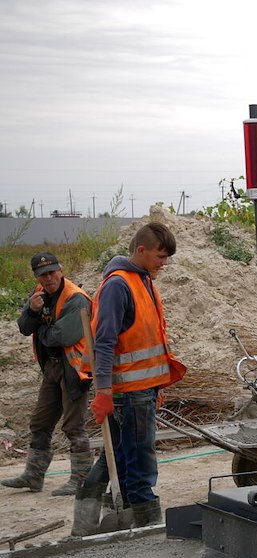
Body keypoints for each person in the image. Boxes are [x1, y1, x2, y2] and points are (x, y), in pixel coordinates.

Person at [72, 222, 186, 535]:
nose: (164, 263)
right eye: (160, 257)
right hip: (127, 393)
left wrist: (155, 386)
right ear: (141, 251)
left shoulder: (143, 279)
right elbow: (104, 342)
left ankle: (96, 518)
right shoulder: (118, 286)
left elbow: (145, 340)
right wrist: (104, 392)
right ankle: (147, 522)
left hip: (141, 390)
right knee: (140, 459)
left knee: (122, 457)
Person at [1, 253, 93, 495]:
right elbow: (23, 327)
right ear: (37, 277)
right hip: (52, 367)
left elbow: (63, 336)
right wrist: (32, 312)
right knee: (40, 423)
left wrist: (40, 328)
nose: (49, 277)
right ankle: (34, 475)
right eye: (43, 274)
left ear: (61, 270)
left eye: (52, 272)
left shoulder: (76, 298)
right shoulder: (39, 296)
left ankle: (81, 480)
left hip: (74, 369)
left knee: (74, 427)